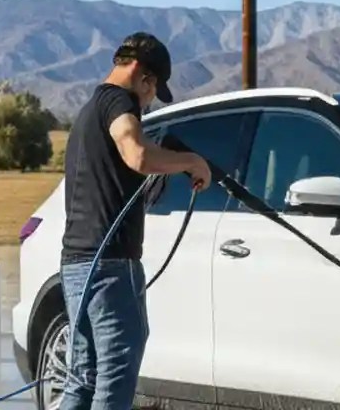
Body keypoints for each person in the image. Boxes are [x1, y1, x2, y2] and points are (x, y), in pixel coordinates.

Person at [59, 31, 212, 410]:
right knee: (115, 371)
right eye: (152, 92)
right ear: (144, 77)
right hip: (110, 265)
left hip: (76, 263)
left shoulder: (91, 110)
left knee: (83, 378)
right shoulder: (119, 102)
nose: (147, 104)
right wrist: (191, 162)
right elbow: (137, 155)